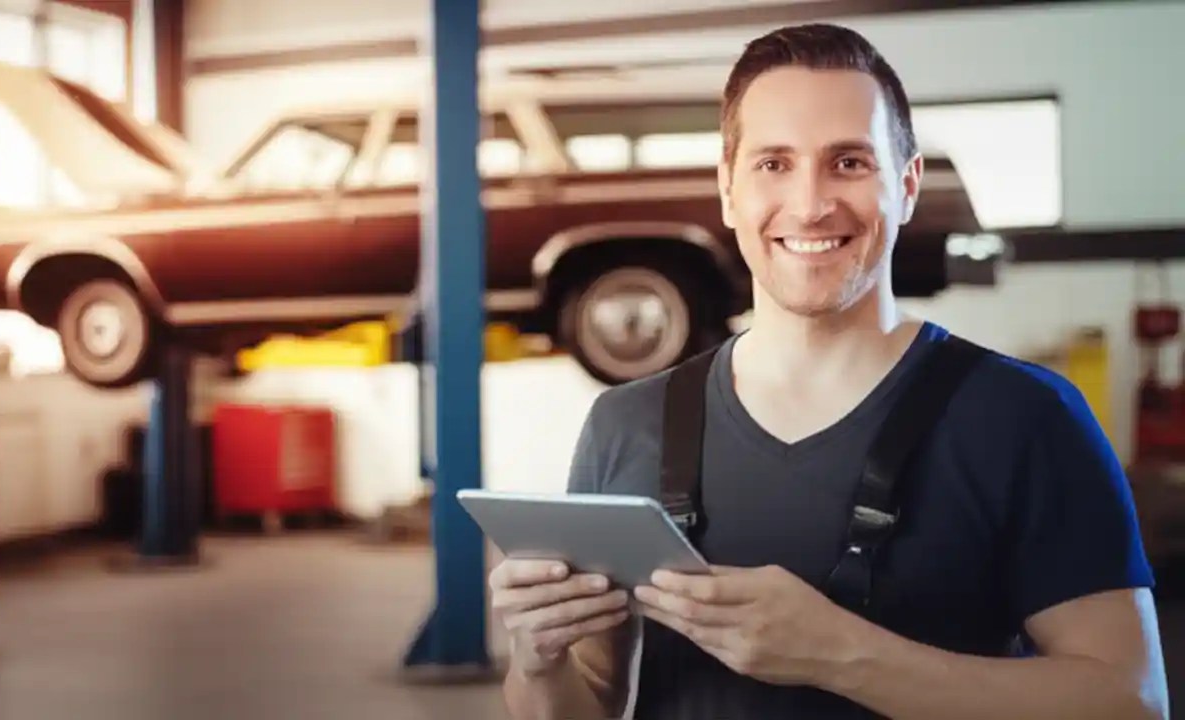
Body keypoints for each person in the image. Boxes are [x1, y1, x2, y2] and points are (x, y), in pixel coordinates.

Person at [490, 21, 1170, 720]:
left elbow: (1130, 701)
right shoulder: (626, 425)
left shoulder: (1026, 417)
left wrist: (840, 653)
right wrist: (539, 664)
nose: (811, 204)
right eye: (773, 164)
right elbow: (591, 701)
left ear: (906, 188)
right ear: (728, 190)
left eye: (848, 162)